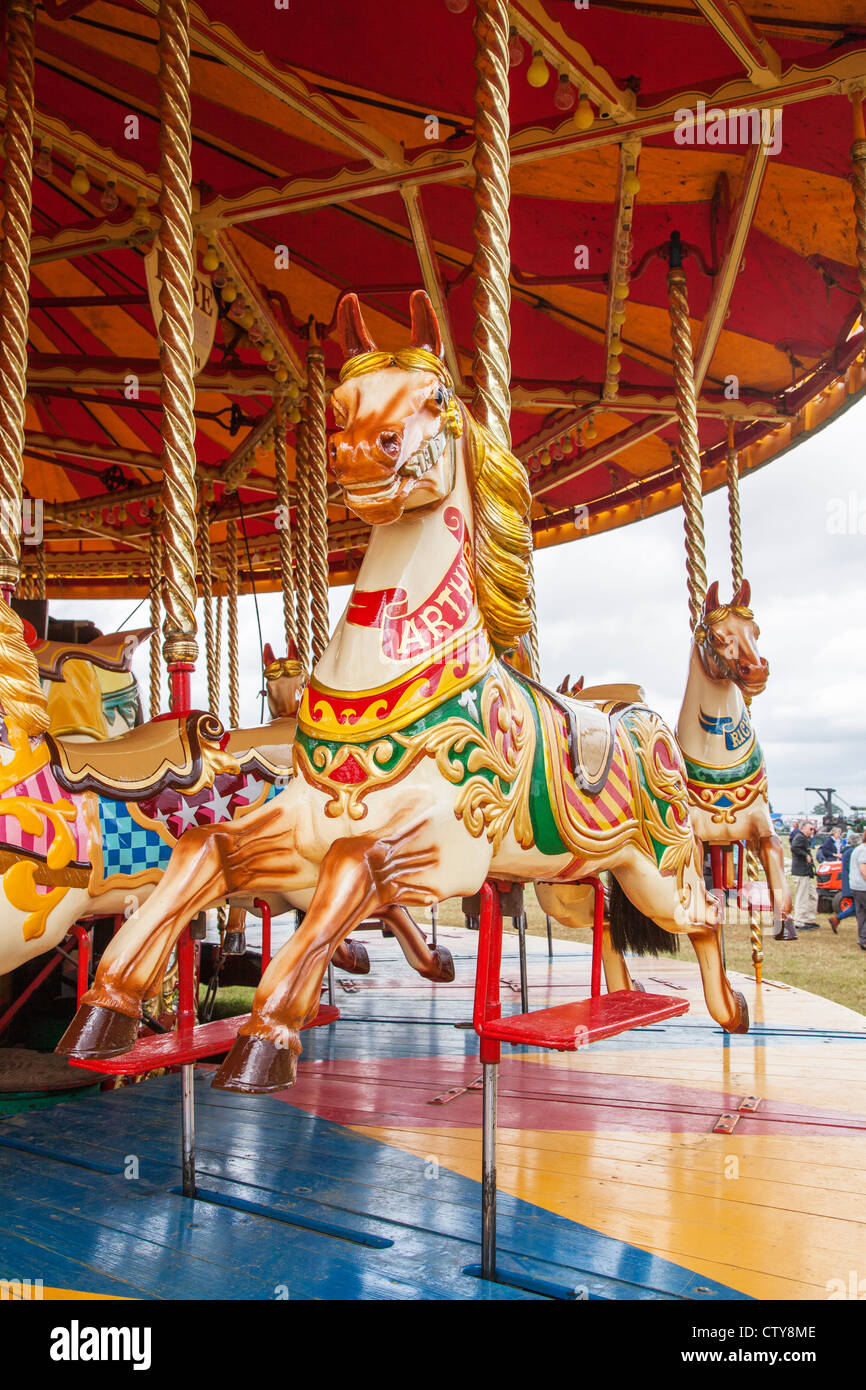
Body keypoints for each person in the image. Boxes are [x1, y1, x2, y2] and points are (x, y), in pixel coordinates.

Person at [789, 820, 819, 932]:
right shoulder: (799, 837)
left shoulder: (804, 838)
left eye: (813, 829)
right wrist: (805, 855)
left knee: (813, 895)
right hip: (800, 872)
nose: (812, 831)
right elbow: (794, 848)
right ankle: (799, 922)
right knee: (802, 897)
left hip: (805, 872)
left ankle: (809, 920)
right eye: (810, 829)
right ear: (803, 828)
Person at [829, 831, 859, 934]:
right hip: (853, 883)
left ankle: (837, 919)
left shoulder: (846, 851)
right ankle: (837, 918)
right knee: (857, 906)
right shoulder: (852, 852)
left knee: (857, 907)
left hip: (849, 882)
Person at [849, 830, 866, 952]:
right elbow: (863, 869)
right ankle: (864, 939)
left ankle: (862, 938)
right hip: (863, 886)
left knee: (861, 914)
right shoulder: (864, 850)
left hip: (855, 886)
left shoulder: (858, 849)